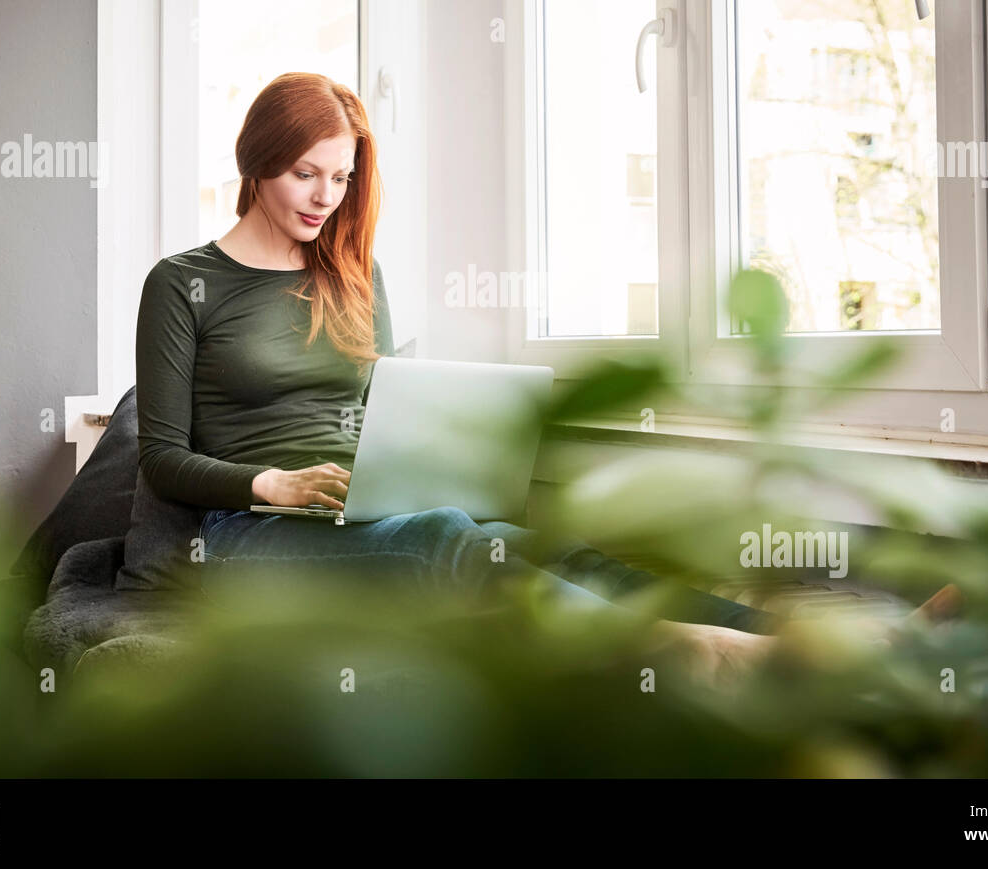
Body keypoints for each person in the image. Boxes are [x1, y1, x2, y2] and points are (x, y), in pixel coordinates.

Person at [135, 72, 783, 690]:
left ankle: (791, 644)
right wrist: (274, 482)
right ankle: (685, 651)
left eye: (340, 177)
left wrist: (413, 469)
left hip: (355, 518)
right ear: (257, 160)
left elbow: (384, 409)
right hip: (243, 535)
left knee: (532, 546)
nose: (325, 197)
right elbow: (162, 457)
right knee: (441, 539)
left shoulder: (356, 276)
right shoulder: (181, 283)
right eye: (305, 173)